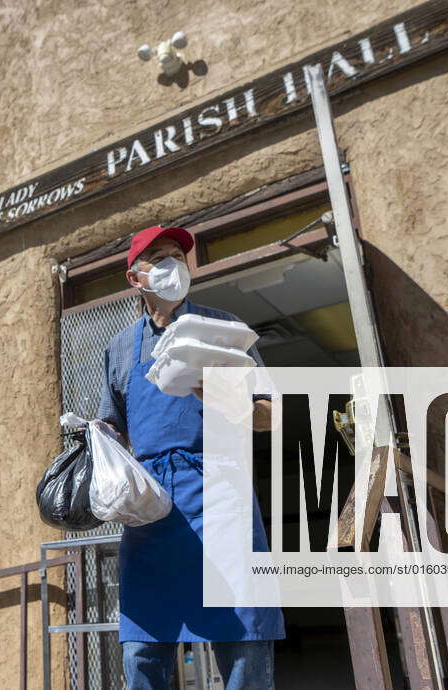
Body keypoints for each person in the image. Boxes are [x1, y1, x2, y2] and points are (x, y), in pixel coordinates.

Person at [96, 227, 285, 690]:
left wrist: (227, 400)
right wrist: (96, 452)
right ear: (134, 278)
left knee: (244, 639)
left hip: (220, 494)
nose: (172, 266)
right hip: (151, 510)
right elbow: (112, 429)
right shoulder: (119, 349)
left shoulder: (224, 331)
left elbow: (270, 415)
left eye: (178, 256)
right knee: (143, 647)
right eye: (158, 257)